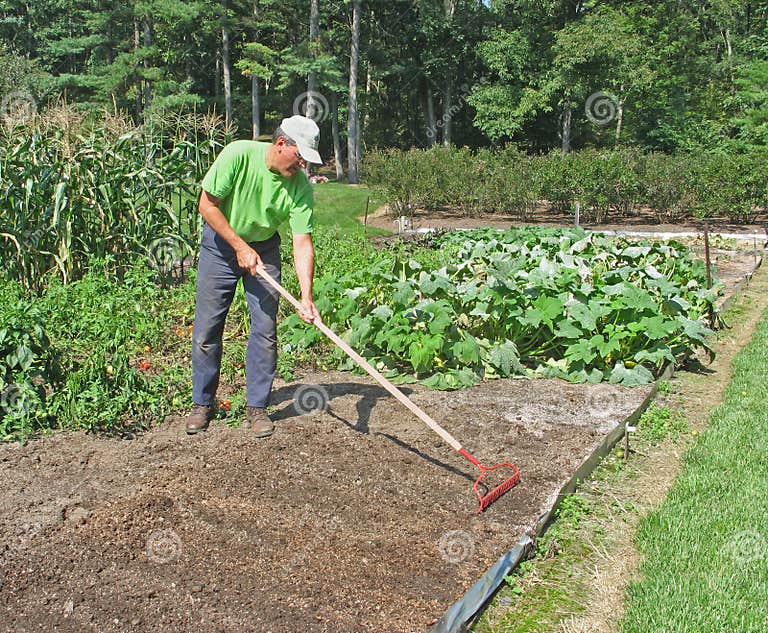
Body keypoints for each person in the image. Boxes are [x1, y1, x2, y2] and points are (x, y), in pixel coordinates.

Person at [186, 115, 322, 437]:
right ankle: (202, 403)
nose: (302, 165)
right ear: (280, 144)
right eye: (299, 156)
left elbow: (302, 242)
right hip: (221, 246)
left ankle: (257, 406)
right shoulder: (238, 154)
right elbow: (206, 205)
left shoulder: (300, 186)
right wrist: (239, 246)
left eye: (306, 159)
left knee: (265, 330)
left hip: (264, 250)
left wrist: (306, 296)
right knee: (207, 329)